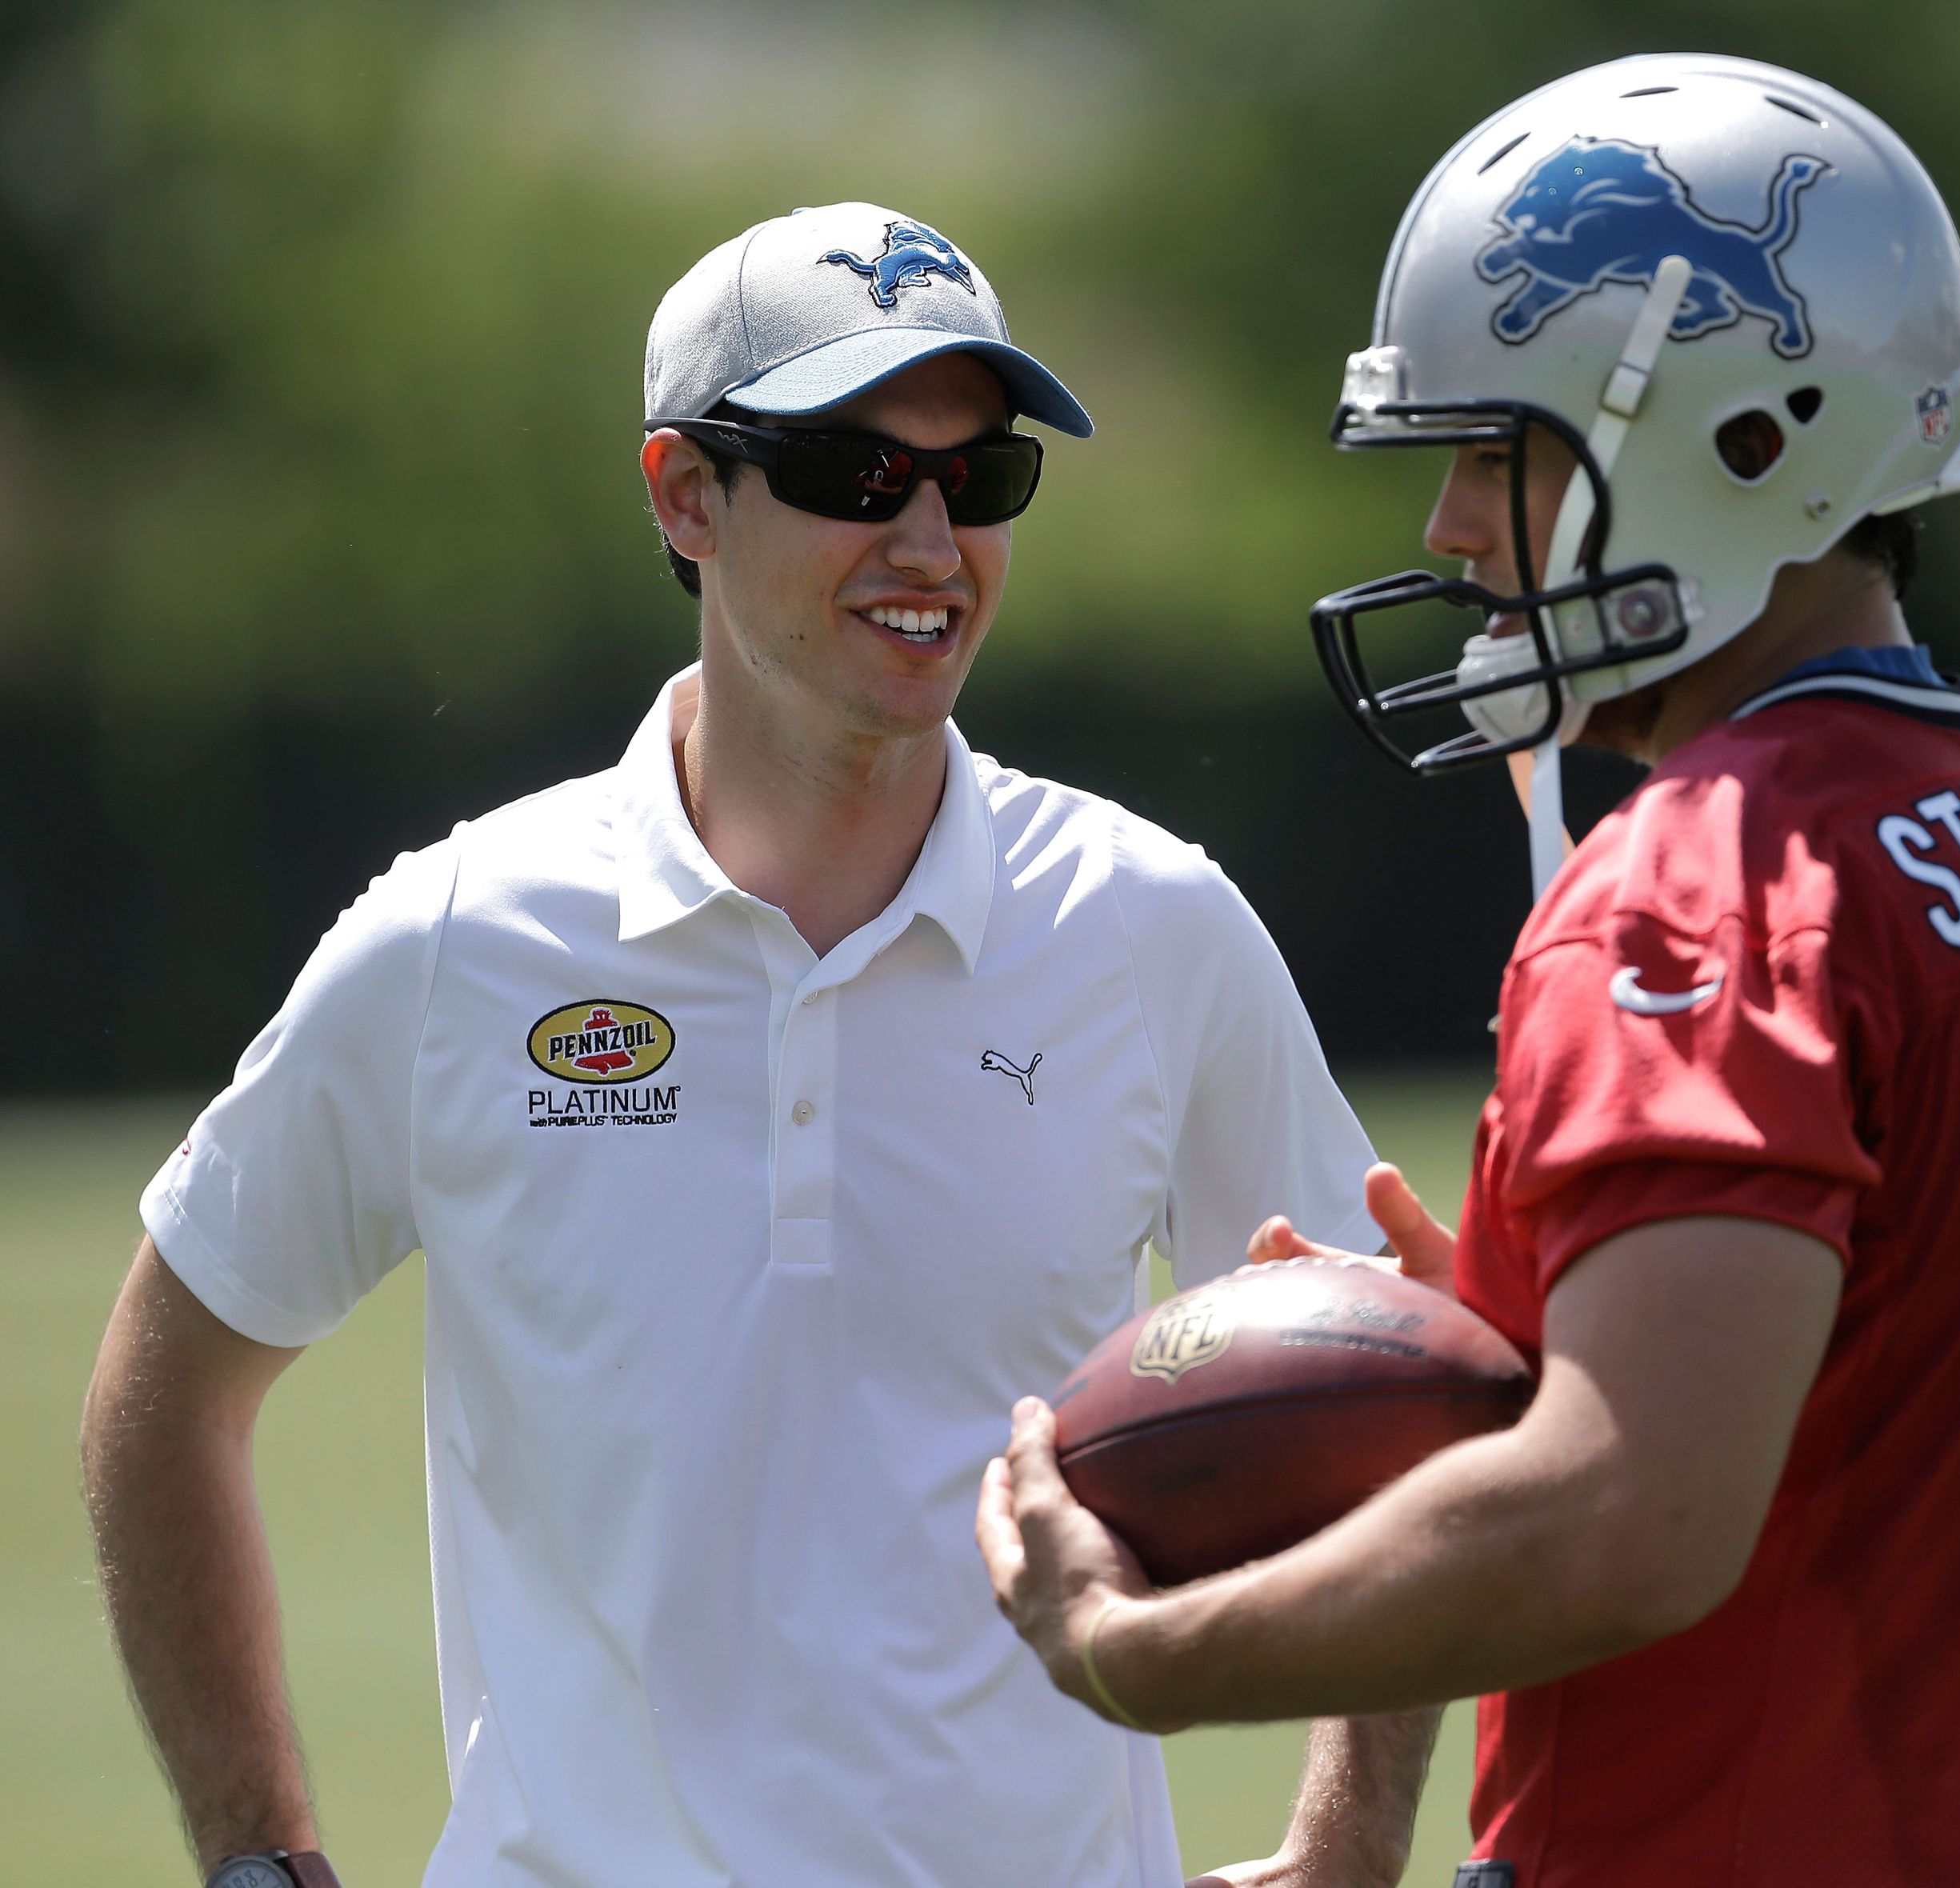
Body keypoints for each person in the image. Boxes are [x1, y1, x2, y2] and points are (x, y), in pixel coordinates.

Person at [980, 57, 1960, 1888]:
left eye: (1499, 455)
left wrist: (1143, 1648)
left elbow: (1631, 1512)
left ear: (1739, 438)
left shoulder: (1704, 888)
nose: (1452, 532)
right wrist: (1529, 1341)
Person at [82, 202, 1433, 1888]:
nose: (933, 539)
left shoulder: (1153, 925)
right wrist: (255, 1859)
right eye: (857, 471)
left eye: (980, 476)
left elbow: (1391, 1388)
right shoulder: (453, 942)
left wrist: (1345, 1846)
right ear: (683, 495)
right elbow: (167, 1391)